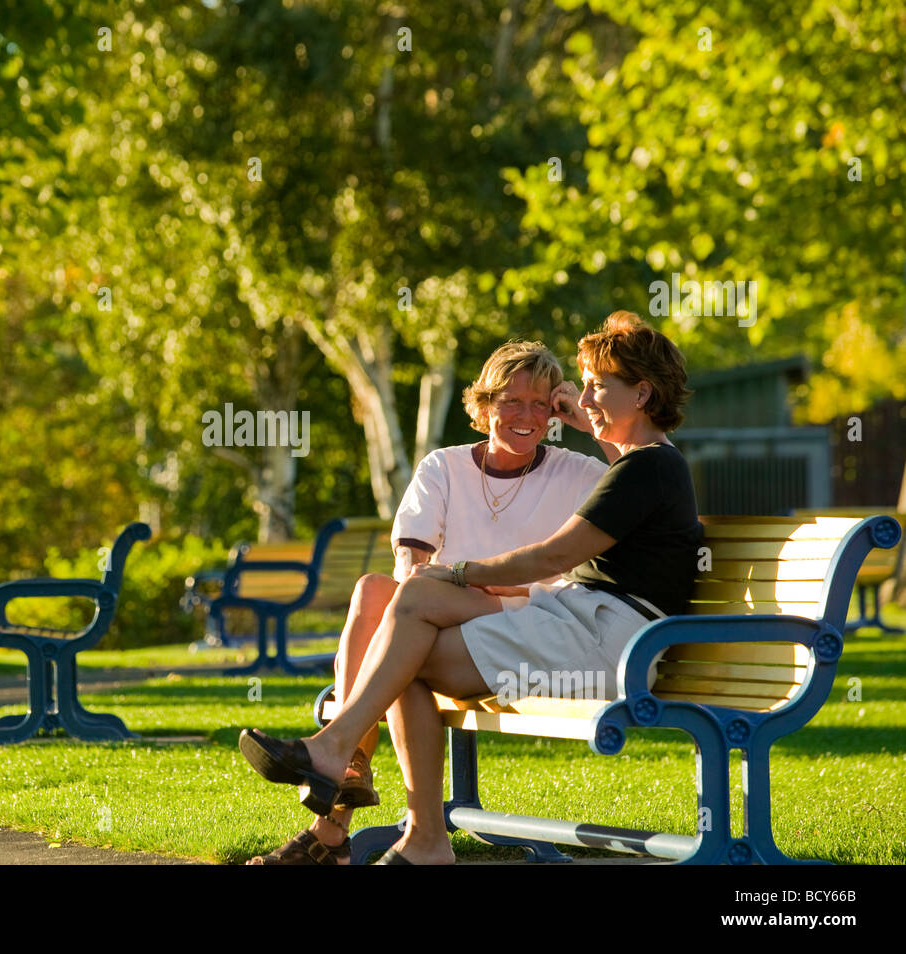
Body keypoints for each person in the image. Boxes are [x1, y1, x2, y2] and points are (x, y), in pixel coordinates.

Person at [239, 311, 701, 864]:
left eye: (598, 386)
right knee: (399, 633)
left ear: (642, 392)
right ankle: (414, 828)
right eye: (584, 388)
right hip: (581, 625)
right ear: (485, 407)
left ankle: (338, 757)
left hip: (608, 641)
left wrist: (460, 572)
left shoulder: (646, 468)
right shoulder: (640, 467)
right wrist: (596, 416)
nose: (585, 398)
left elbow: (553, 555)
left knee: (407, 627)